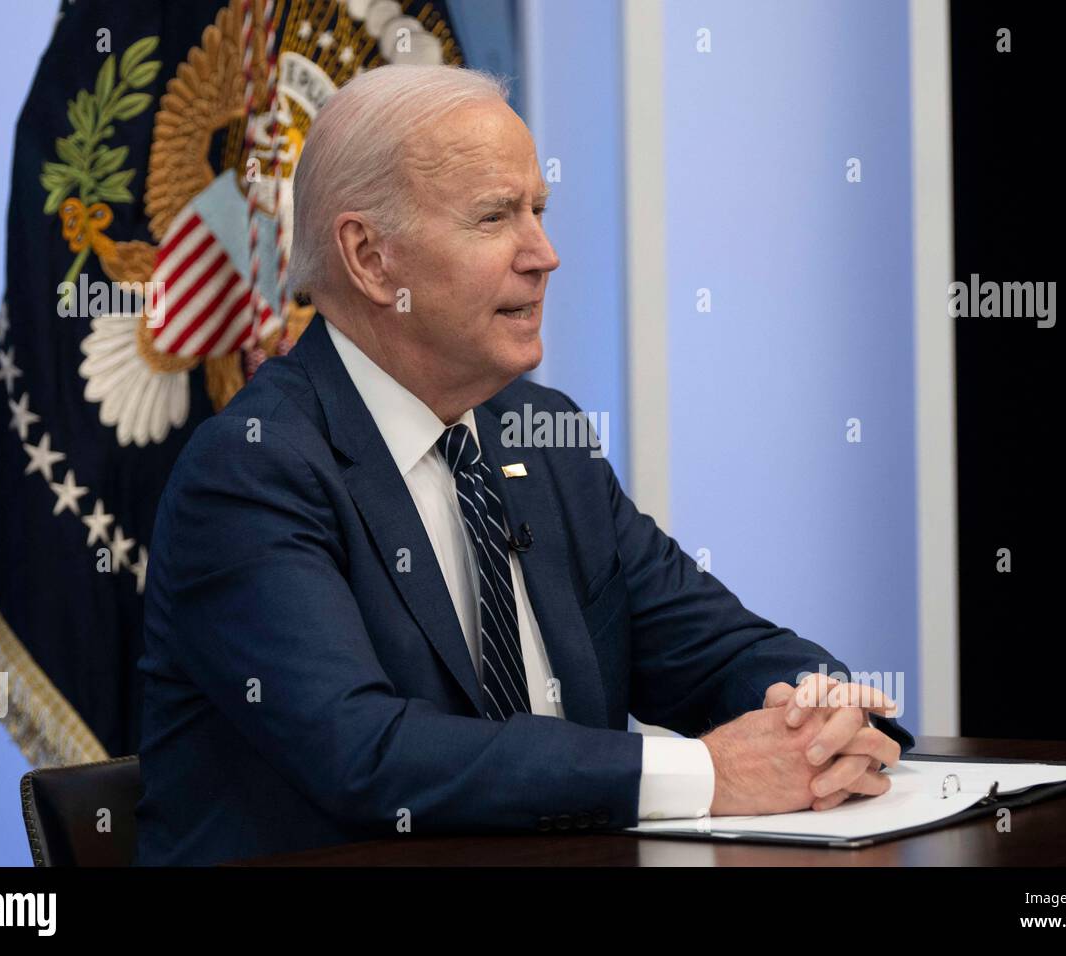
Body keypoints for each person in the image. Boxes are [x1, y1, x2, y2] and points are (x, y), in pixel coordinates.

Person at [134, 64, 913, 866]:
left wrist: (820, 719)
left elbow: (719, 651)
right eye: (494, 217)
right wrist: (710, 773)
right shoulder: (253, 470)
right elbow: (366, 755)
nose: (543, 254)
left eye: (538, 210)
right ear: (370, 258)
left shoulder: (545, 437)